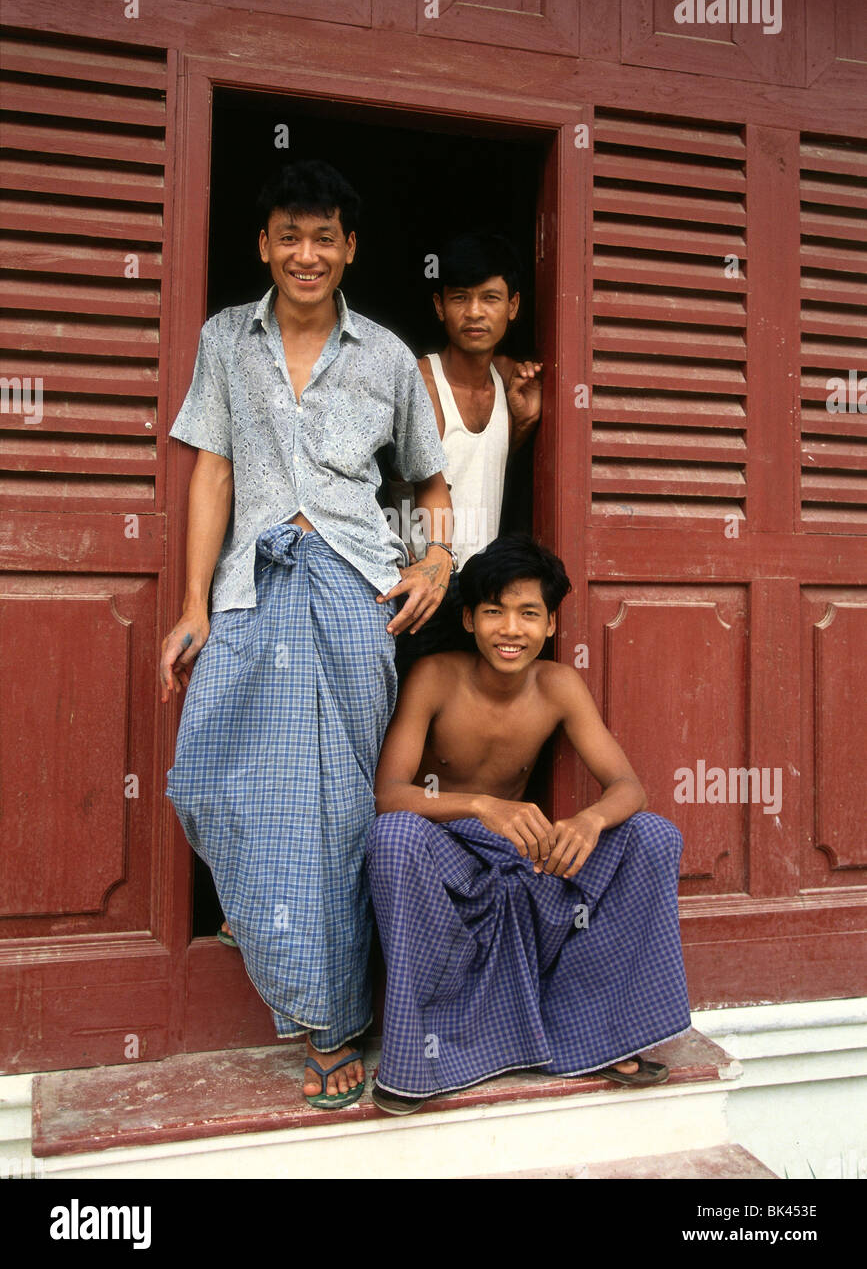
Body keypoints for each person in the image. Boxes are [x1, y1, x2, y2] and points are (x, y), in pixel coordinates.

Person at [159, 160, 454, 1110]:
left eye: (325, 236)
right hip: (252, 585)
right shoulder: (224, 341)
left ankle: (334, 1021)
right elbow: (210, 473)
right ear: (263, 245)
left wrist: (437, 562)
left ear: (350, 248)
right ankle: (268, 924)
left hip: (354, 595)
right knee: (204, 776)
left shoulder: (386, 356)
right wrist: (195, 603)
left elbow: (428, 484)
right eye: (290, 235)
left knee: (334, 809)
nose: (306, 253)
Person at [366, 534, 691, 1113]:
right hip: (454, 868)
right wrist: (481, 806)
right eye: (493, 611)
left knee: (653, 835)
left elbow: (629, 788)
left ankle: (598, 1029)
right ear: (468, 619)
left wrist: (588, 822)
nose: (509, 629)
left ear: (550, 625)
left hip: (528, 865)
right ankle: (423, 1054)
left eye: (527, 614)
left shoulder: (559, 685)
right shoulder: (436, 676)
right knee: (393, 838)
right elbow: (389, 795)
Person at [392, 233, 543, 673]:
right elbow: (418, 484)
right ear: (440, 307)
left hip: (487, 591)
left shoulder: (509, 379)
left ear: (512, 307)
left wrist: (525, 422)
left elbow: (480, 471)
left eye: (490, 298)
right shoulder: (420, 381)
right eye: (460, 298)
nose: (475, 312)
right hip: (420, 582)